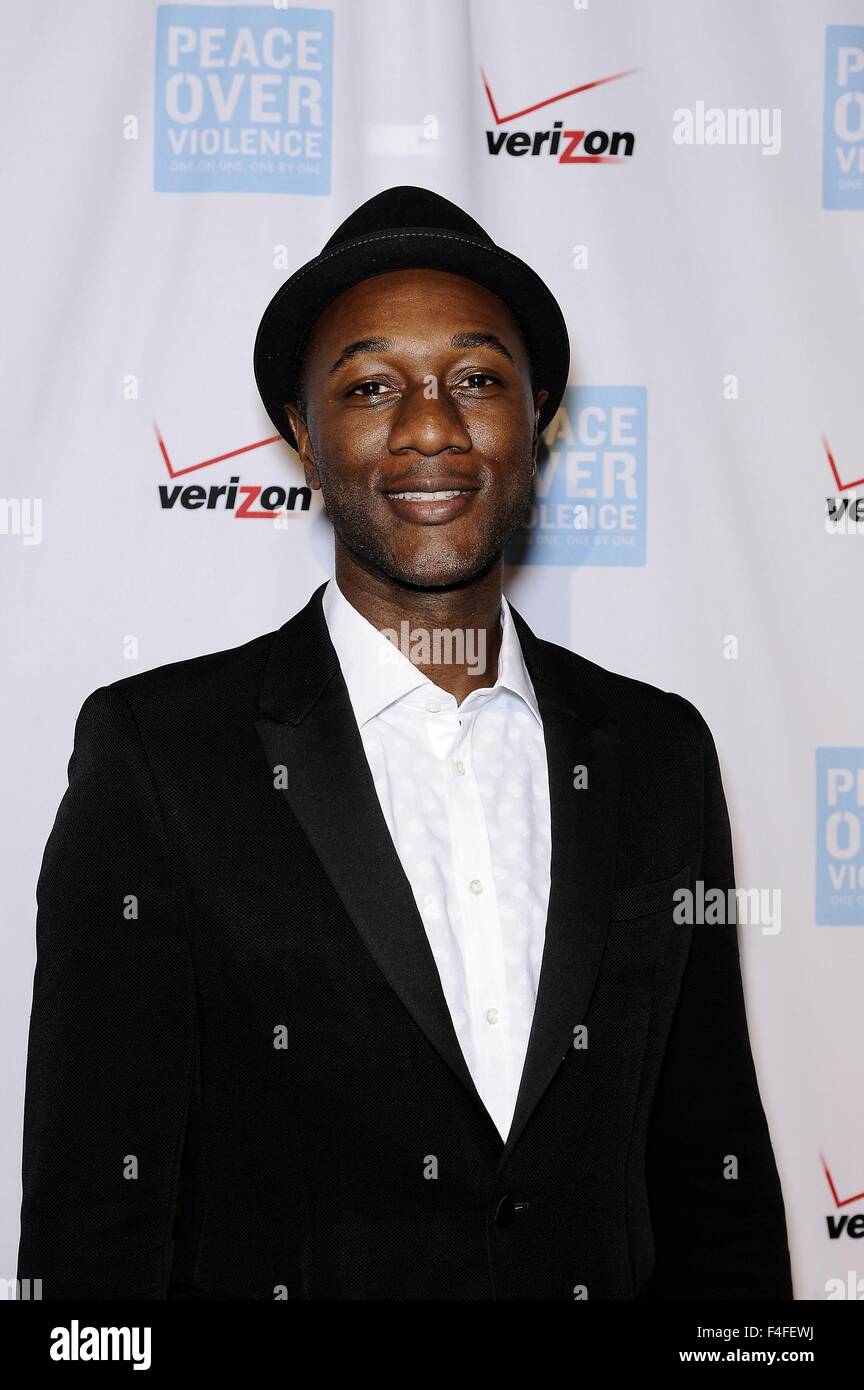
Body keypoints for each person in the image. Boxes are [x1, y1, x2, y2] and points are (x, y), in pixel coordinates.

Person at [17, 185, 793, 1300]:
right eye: (371, 386)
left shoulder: (660, 753)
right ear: (301, 435)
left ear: (538, 420)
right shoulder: (163, 756)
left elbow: (715, 1191)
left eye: (476, 380)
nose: (430, 425)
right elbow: (94, 1233)